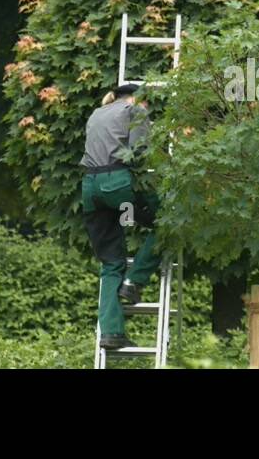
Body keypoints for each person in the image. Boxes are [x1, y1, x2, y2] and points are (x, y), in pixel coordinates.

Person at [80, 83, 160, 350]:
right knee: (168, 223)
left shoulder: (96, 113)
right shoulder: (136, 109)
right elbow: (140, 153)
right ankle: (135, 281)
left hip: (90, 190)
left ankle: (111, 333)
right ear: (139, 98)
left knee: (111, 262)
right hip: (117, 184)